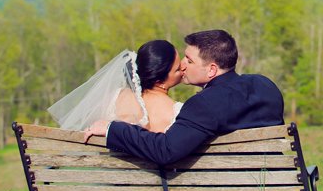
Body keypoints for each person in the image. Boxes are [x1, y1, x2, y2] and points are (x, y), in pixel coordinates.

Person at [83, 29, 284, 166]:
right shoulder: (265, 86)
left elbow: (165, 150)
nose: (183, 66)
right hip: (277, 182)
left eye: (189, 60)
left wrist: (112, 128)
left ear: (212, 69)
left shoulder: (204, 104)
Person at [48, 39, 184, 133]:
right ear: (159, 81)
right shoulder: (178, 112)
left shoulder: (116, 98)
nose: (183, 67)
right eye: (178, 69)